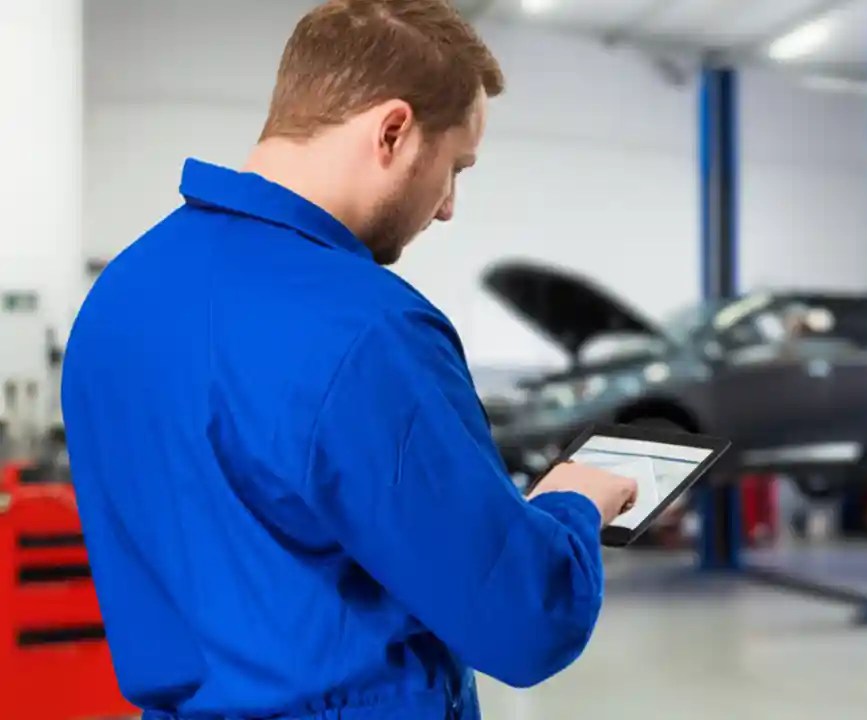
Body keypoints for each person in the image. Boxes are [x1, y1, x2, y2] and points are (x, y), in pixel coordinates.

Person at [60, 2, 637, 718]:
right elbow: (522, 621)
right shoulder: (366, 327)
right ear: (393, 130)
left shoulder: (120, 295)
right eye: (454, 166)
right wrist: (573, 503)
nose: (449, 206)